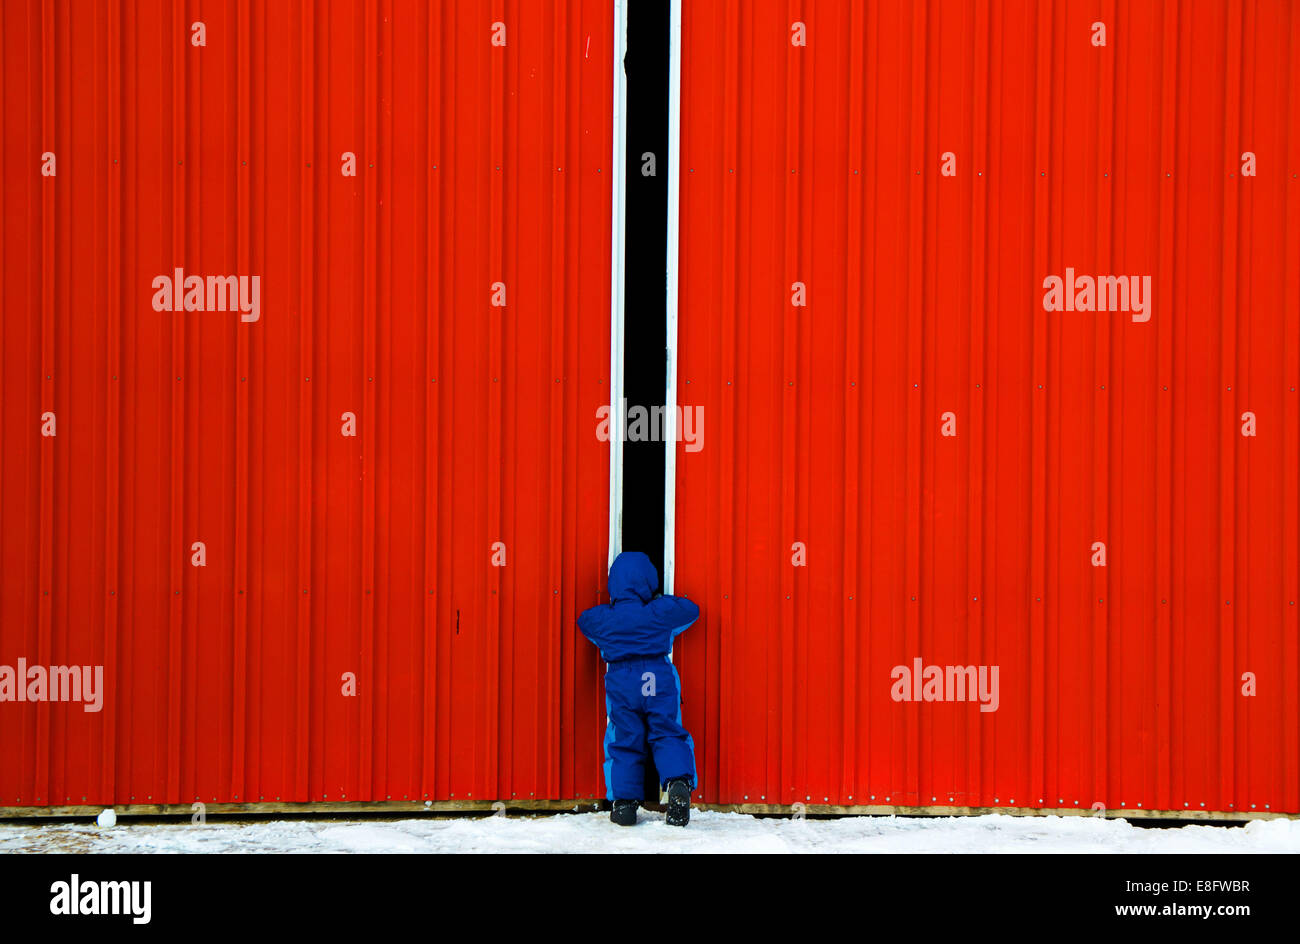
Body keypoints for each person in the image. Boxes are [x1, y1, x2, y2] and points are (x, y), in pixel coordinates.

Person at [577, 551, 700, 826]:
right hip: (657, 676)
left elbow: (584, 620)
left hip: (622, 680)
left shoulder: (604, 618)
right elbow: (691, 610)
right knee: (667, 732)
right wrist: (658, 601)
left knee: (625, 740)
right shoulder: (658, 611)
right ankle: (678, 782)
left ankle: (624, 803)